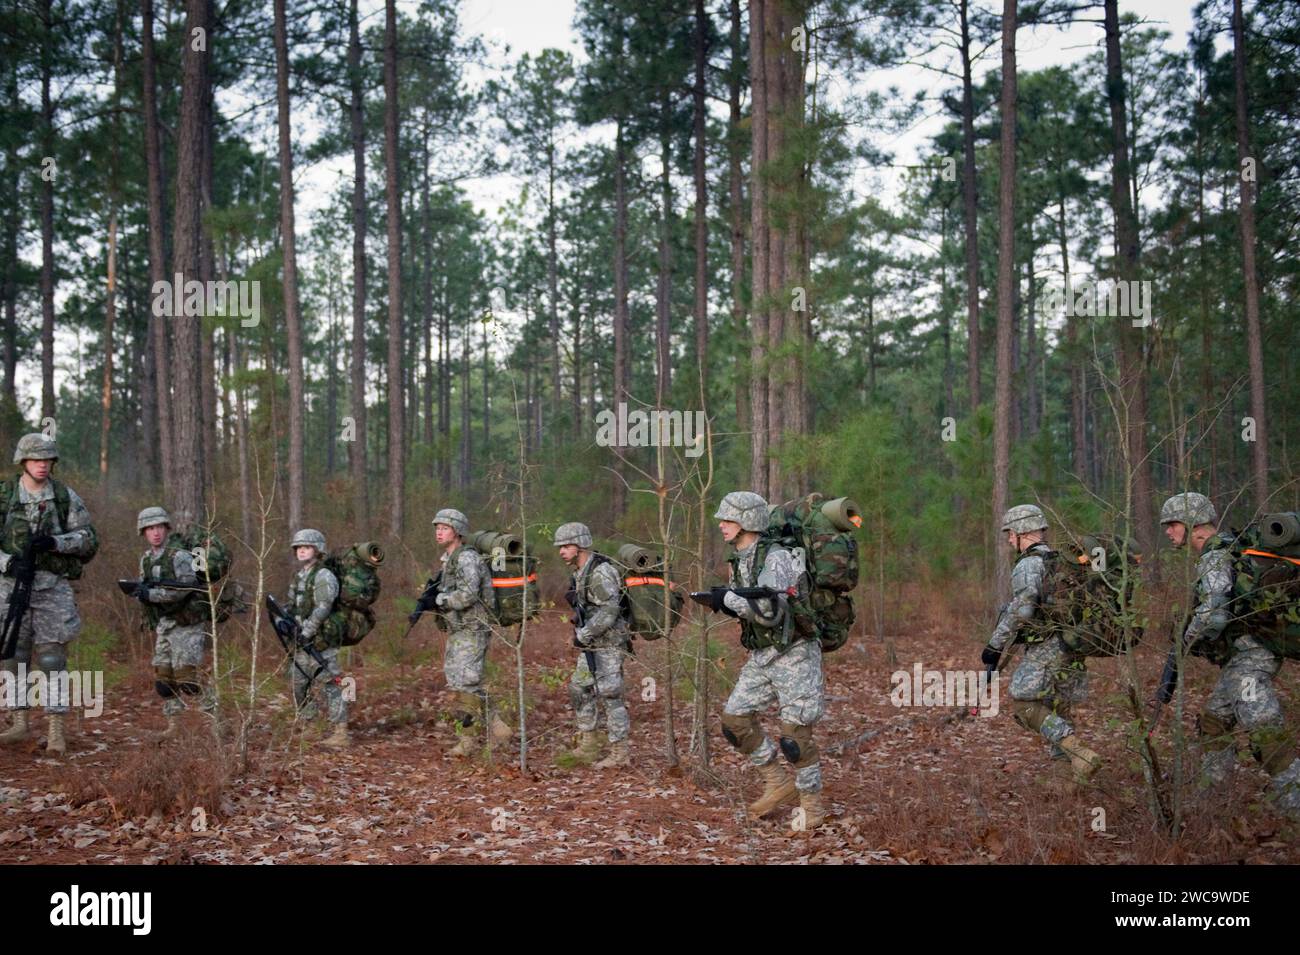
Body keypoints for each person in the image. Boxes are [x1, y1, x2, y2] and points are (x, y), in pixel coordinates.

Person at [1155, 492, 1300, 814]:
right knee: (1214, 722)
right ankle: (1212, 799)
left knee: (1264, 729)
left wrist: (1187, 641)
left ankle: (1294, 804)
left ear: (1192, 524)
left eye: (1173, 524)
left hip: (1251, 655)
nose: (1168, 531)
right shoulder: (1233, 546)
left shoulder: (1215, 555)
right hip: (1249, 652)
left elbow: (1213, 613)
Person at [711, 491, 827, 829]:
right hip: (763, 655)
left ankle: (812, 807)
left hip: (795, 655)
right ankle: (777, 781)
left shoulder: (775, 558)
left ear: (747, 520)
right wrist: (719, 599)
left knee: (795, 738)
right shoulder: (740, 558)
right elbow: (749, 605)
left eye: (728, 519)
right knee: (735, 723)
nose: (721, 525)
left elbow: (770, 611)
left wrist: (729, 600)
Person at [982, 504, 1100, 782]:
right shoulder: (1064, 561)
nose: (1009, 539)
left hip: (1048, 645)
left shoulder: (1028, 564)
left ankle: (1078, 751)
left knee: (1023, 702)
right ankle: (1066, 782)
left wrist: (995, 644)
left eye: (1010, 533)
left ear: (1022, 531)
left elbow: (1023, 608)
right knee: (1058, 706)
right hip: (1074, 644)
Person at [0, 433, 98, 756]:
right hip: (11, 587)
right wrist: (8, 562)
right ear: (23, 462)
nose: (42, 465)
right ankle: (19, 722)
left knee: (52, 659)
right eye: (36, 460)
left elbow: (88, 539)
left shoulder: (63, 497)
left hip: (52, 587)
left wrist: (56, 543)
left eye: (47, 460)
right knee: (14, 657)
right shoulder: (5, 496)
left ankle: (56, 729)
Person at [432, 508, 511, 757]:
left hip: (473, 627)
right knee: (459, 682)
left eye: (444, 528)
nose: (439, 532)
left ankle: (468, 740)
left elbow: (468, 594)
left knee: (467, 683)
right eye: (437, 528)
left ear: (457, 531)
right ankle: (498, 729)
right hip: (459, 629)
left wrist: (442, 600)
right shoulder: (450, 559)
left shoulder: (466, 558)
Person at [554, 522, 632, 769]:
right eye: (560, 547)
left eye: (566, 546)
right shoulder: (580, 571)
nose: (561, 551)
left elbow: (610, 611)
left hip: (608, 643)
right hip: (593, 644)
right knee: (579, 688)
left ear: (580, 546)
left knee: (610, 694)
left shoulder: (600, 572)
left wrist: (583, 635)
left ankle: (620, 752)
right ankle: (589, 743)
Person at [136, 507, 213, 737]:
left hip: (187, 624)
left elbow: (184, 590)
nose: (155, 532)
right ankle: (174, 726)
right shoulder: (146, 560)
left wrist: (151, 595)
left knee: (188, 680)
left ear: (166, 529)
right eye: (150, 528)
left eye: (159, 527)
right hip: (165, 625)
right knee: (164, 681)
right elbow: (144, 588)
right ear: (144, 532)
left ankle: (215, 720)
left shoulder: (179, 556)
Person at [286, 528, 349, 749]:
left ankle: (341, 731)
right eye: (299, 548)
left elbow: (323, 607)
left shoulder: (324, 575)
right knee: (297, 682)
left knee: (335, 683)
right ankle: (310, 723)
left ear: (317, 549)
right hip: (300, 641)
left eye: (307, 547)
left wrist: (307, 631)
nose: (302, 551)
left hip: (321, 640)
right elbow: (293, 605)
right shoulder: (299, 576)